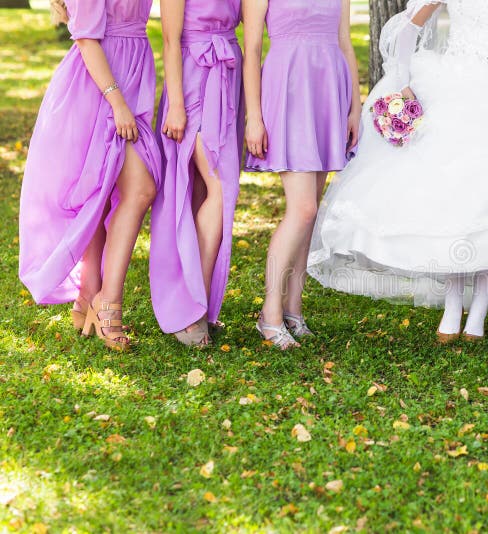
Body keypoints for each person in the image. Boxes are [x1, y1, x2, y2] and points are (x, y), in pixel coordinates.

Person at [308, 0, 488, 342]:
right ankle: (452, 303)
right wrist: (402, 80)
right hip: (451, 89)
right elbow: (408, 28)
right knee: (454, 197)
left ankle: (479, 309)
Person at [19, 0, 161, 351]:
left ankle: (88, 296)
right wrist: (117, 102)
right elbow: (85, 38)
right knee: (140, 188)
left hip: (132, 73)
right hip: (98, 84)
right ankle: (107, 303)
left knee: (105, 191)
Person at [242, 0, 361, 349]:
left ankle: (293, 310)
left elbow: (344, 41)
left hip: (328, 90)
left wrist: (355, 107)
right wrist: (254, 116)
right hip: (288, 89)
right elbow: (252, 49)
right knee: (303, 209)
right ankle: (270, 314)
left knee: (309, 214)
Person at [150, 0, 244, 346]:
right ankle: (194, 306)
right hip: (193, 79)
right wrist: (176, 104)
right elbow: (170, 39)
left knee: (203, 192)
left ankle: (195, 300)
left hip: (228, 74)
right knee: (221, 187)